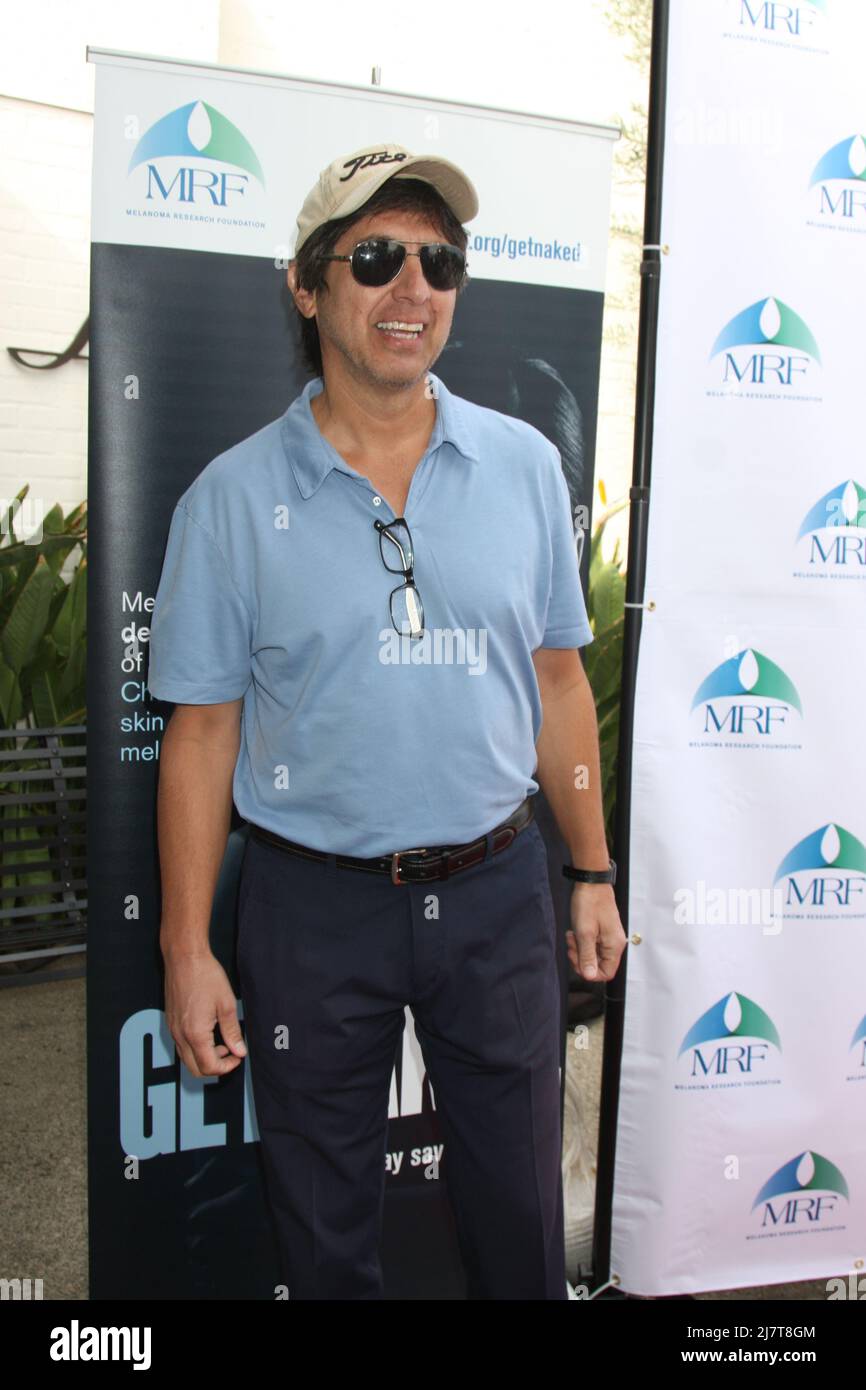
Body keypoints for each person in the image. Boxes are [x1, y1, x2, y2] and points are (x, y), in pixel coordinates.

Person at [148, 142, 627, 1301]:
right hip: (313, 913)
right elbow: (202, 736)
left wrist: (591, 871)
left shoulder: (521, 467)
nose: (412, 288)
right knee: (321, 1229)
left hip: (495, 895)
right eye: (374, 258)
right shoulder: (226, 500)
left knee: (520, 1212)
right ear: (307, 286)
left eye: (439, 261)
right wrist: (184, 944)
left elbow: (558, 683)